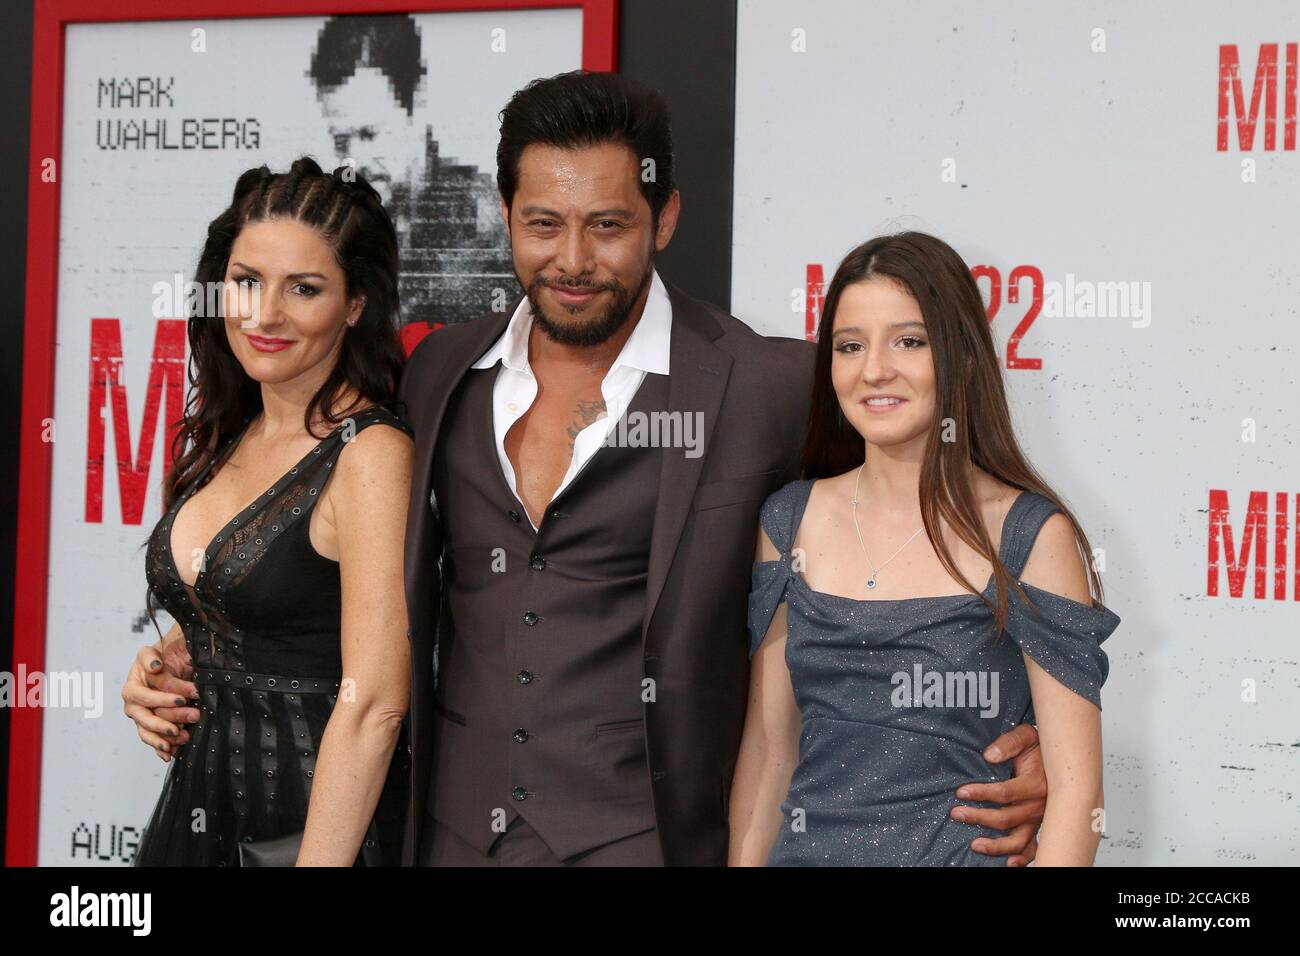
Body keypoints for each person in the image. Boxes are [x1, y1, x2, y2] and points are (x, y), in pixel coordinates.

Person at [395, 71, 1048, 866]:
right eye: (542, 224)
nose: (572, 259)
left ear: (664, 217)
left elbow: (911, 531)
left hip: (655, 837)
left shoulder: (765, 384)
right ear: (505, 217)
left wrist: (1014, 727)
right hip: (453, 833)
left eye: (607, 225)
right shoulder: (438, 374)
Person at [728, 232, 1121, 866]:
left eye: (908, 341)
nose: (874, 369)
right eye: (849, 346)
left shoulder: (1027, 536)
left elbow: (1078, 798)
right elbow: (771, 748)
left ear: (962, 355)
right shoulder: (788, 521)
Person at [123, 158, 414, 866]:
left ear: (355, 305)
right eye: (247, 281)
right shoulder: (238, 428)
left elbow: (376, 703)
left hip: (314, 836)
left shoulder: (370, 453)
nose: (264, 314)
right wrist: (161, 669)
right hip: (198, 817)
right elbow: (260, 614)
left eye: (304, 289)